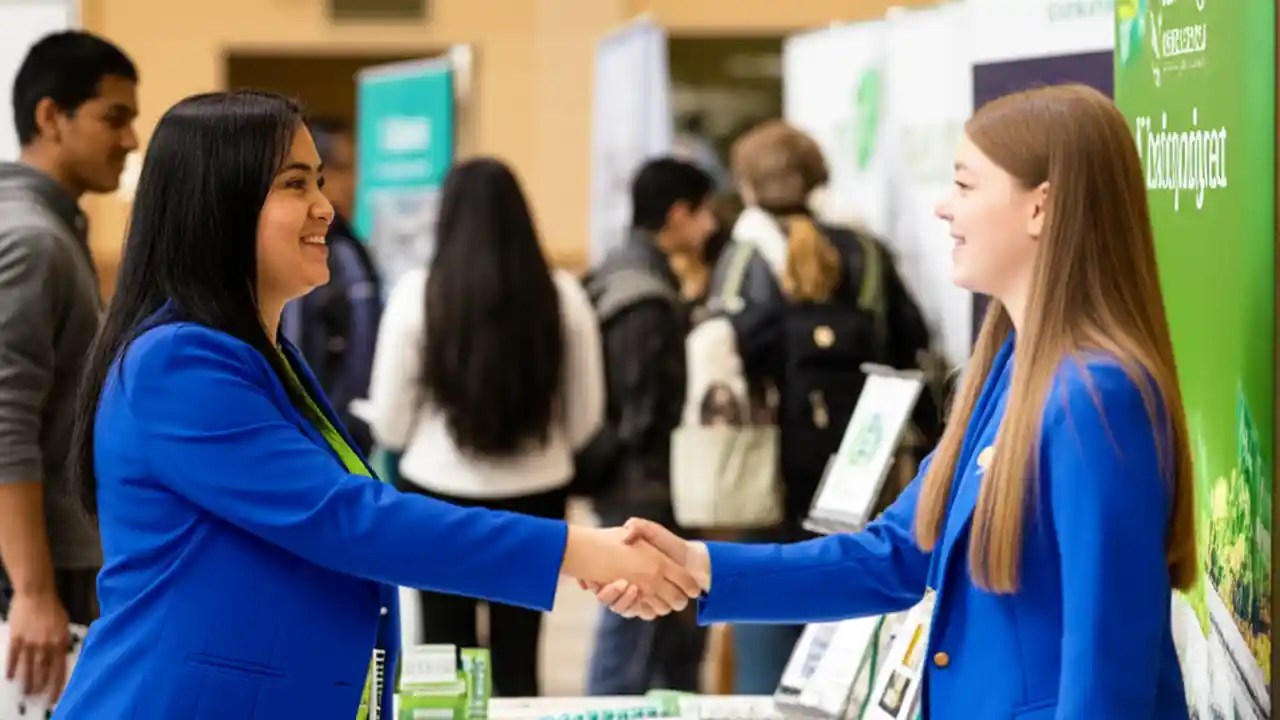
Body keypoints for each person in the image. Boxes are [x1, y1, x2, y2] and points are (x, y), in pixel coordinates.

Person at [55, 90, 699, 720]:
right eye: (295, 184)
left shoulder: (264, 354)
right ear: (217, 203)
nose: (325, 208)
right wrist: (582, 551)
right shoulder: (180, 363)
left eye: (320, 181)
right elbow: (348, 518)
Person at [593, 84, 1197, 719]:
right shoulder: (1010, 370)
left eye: (965, 186)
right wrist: (695, 564)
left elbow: (1108, 665)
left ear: (1041, 207)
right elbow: (895, 554)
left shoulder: (1096, 396)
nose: (943, 208)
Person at [705, 120, 936, 694]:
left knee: (764, 618)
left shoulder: (744, 256)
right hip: (864, 466)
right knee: (848, 636)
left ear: (750, 186)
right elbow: (910, 340)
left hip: (770, 473)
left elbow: (721, 352)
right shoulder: (868, 251)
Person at [364, 157, 605, 697]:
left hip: (435, 495)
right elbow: (587, 415)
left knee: (442, 657)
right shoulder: (564, 295)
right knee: (520, 657)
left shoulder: (416, 295)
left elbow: (392, 423)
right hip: (539, 496)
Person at [0, 31, 138, 706]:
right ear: (52, 117)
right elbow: (3, 424)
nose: (131, 140)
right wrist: (33, 590)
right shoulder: (30, 238)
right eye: (115, 117)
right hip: (34, 571)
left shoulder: (49, 229)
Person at [581, 158, 718, 696]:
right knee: (631, 631)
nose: (710, 227)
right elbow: (639, 413)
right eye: (704, 213)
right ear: (678, 214)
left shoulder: (613, 273)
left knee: (650, 632)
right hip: (644, 489)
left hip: (630, 483)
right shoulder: (646, 297)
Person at [281, 116, 382, 455]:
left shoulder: (349, 246)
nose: (355, 182)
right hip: (319, 437)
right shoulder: (315, 252)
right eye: (346, 169)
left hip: (347, 434)